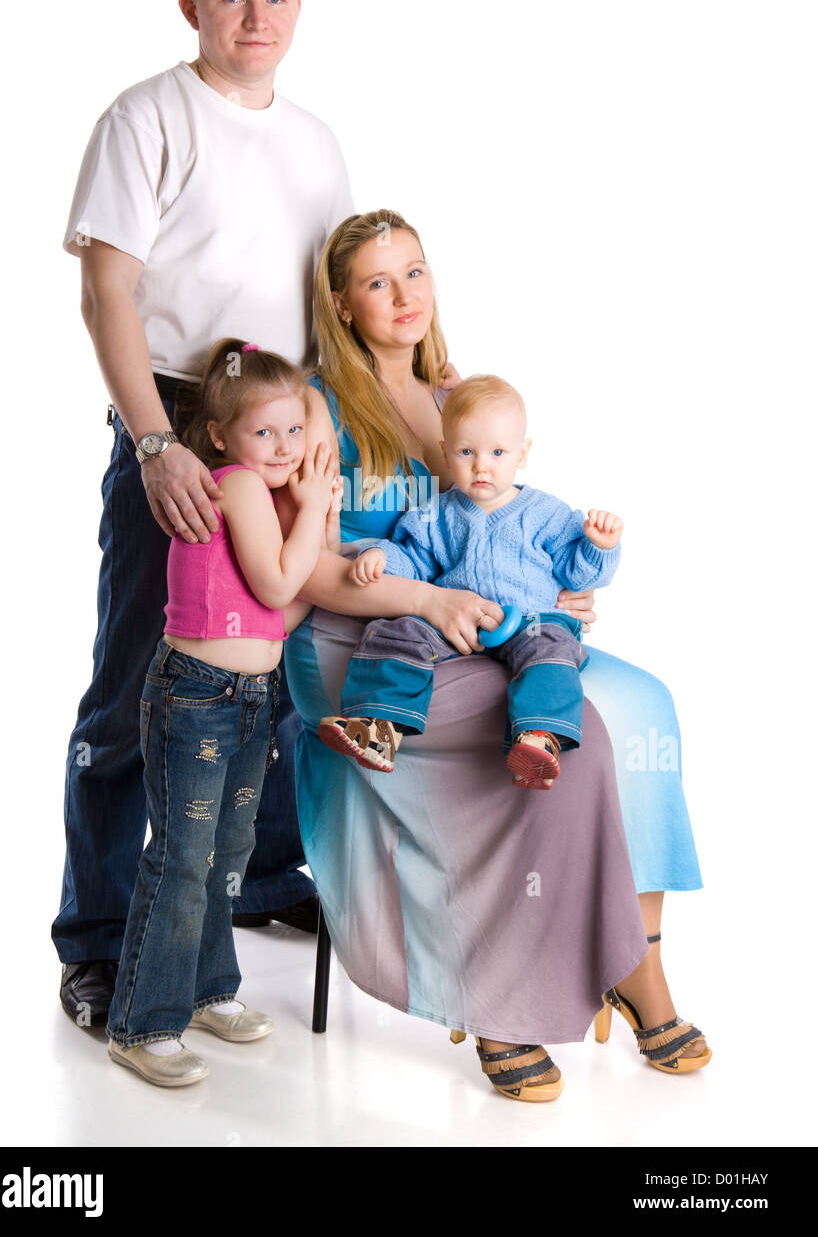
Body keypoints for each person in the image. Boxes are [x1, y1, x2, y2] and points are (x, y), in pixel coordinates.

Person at [281, 209, 711, 1100]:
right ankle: (501, 1002)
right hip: (366, 644)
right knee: (567, 732)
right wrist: (427, 598)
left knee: (644, 708)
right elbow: (307, 573)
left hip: (478, 629)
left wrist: (561, 586)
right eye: (376, 281)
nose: (403, 296)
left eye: (416, 272)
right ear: (341, 303)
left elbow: (502, 524)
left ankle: (635, 960)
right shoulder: (320, 406)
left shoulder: (453, 397)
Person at [54, 0, 354, 1029]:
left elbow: (318, 302)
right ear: (192, 7)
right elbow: (108, 293)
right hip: (179, 420)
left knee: (267, 662)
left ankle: (262, 879)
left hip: (283, 422)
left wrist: (319, 415)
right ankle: (95, 938)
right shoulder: (147, 117)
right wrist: (153, 445)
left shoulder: (315, 141)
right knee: (141, 677)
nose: (256, 19)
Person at [107, 340, 337, 1086]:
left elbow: (289, 609)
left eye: (295, 431)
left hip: (250, 699)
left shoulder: (270, 504)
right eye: (264, 432)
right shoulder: (235, 486)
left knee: (227, 855)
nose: (283, 448)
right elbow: (278, 585)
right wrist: (316, 508)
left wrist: (315, 526)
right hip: (197, 696)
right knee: (181, 858)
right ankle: (142, 1024)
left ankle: (208, 989)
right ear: (219, 437)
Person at [318, 372, 623, 788]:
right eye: (466, 452)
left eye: (498, 452)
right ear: (446, 453)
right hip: (455, 625)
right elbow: (414, 558)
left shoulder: (547, 513)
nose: (482, 465)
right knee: (398, 631)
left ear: (523, 453)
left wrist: (598, 546)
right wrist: (380, 557)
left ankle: (538, 738)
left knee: (553, 651)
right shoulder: (436, 513)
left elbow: (576, 573)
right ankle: (379, 728)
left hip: (529, 622)